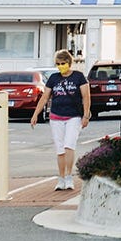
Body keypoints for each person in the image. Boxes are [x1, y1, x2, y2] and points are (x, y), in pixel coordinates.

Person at [35, 48, 88, 191]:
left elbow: (86, 97)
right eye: (58, 64)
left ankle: (69, 176)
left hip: (73, 116)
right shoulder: (53, 78)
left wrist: (86, 115)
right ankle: (61, 177)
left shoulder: (79, 77)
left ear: (69, 63)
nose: (60, 66)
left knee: (69, 145)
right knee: (60, 149)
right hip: (56, 116)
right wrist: (36, 114)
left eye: (63, 63)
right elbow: (45, 97)